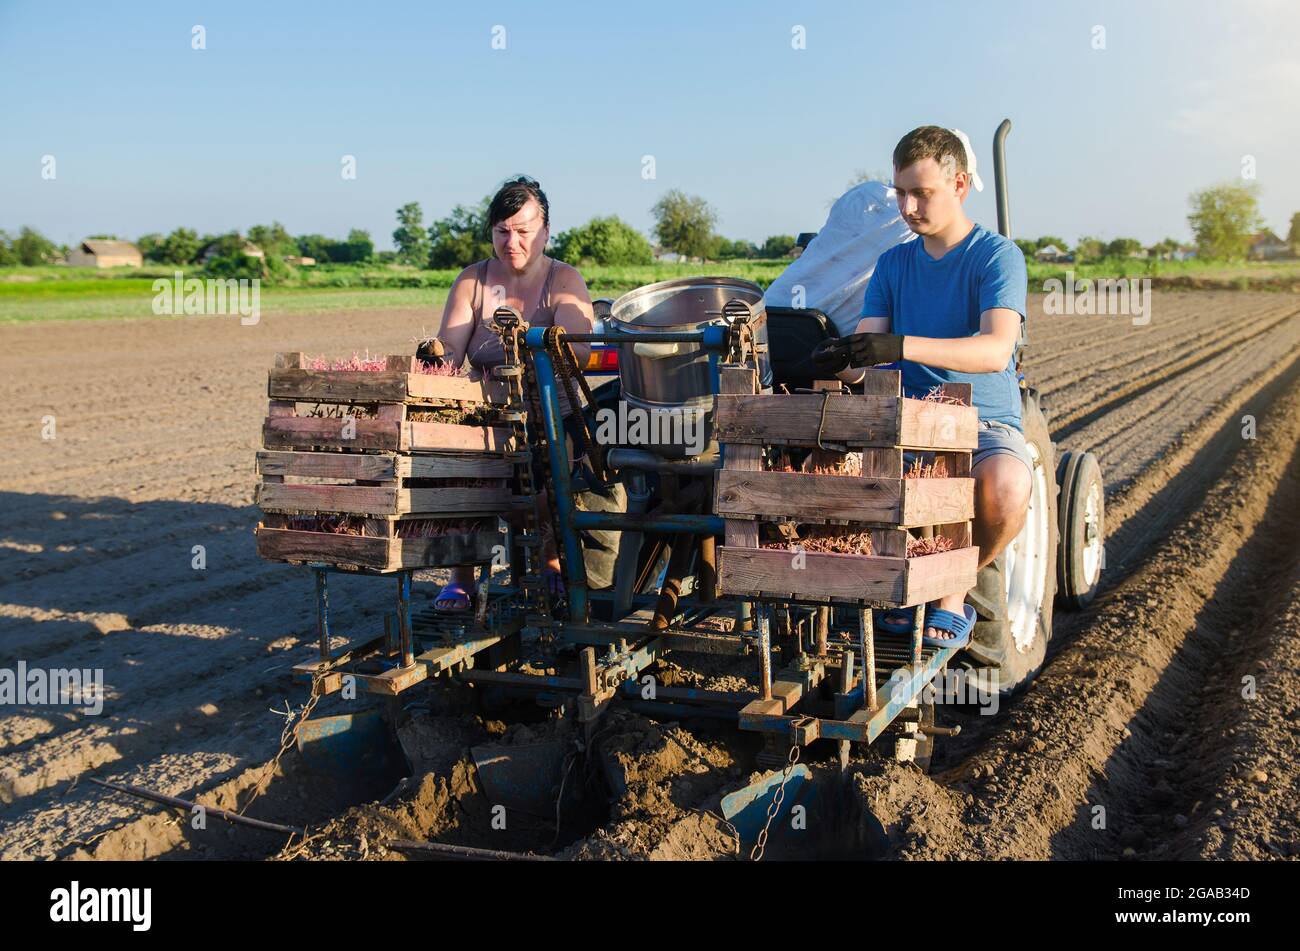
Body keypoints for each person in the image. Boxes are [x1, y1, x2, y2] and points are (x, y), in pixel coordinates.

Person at [811, 126, 1032, 647]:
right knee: (825, 484)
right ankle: (886, 582)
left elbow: (996, 349)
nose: (909, 207)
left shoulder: (997, 257)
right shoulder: (893, 264)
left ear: (959, 184)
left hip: (982, 421)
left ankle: (953, 583)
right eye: (901, 193)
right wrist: (840, 358)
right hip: (903, 422)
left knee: (1005, 487)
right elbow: (868, 354)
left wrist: (904, 347)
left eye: (922, 193)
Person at [425, 176, 595, 611]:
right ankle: (461, 575)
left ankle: (554, 561)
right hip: (489, 411)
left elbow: (576, 351)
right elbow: (449, 355)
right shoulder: (472, 282)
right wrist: (433, 358)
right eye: (502, 231)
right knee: (451, 464)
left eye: (523, 230)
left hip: (551, 408)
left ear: (545, 232)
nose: (512, 241)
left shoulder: (564, 280)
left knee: (549, 472)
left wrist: (530, 341)